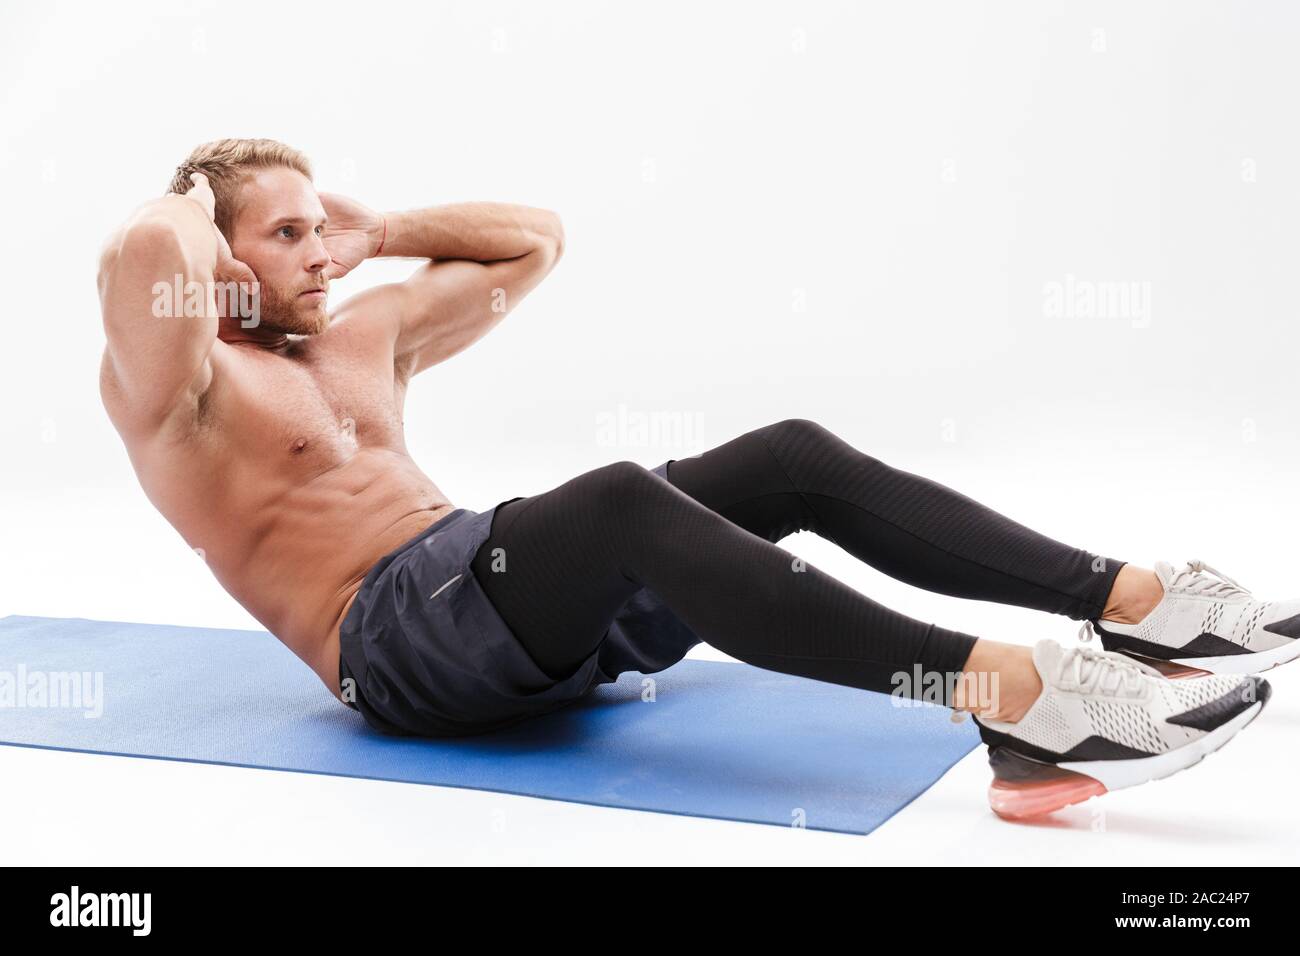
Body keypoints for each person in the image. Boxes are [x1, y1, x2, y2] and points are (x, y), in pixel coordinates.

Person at [96, 138, 1287, 819]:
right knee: (617, 497)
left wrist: (383, 224)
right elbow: (146, 251)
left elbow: (535, 239)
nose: (320, 253)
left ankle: (1132, 603)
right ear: (218, 250)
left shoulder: (359, 335)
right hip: (396, 647)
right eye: (289, 235)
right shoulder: (177, 380)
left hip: (511, 610)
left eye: (321, 229)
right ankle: (1022, 695)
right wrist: (200, 201)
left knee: (787, 455)